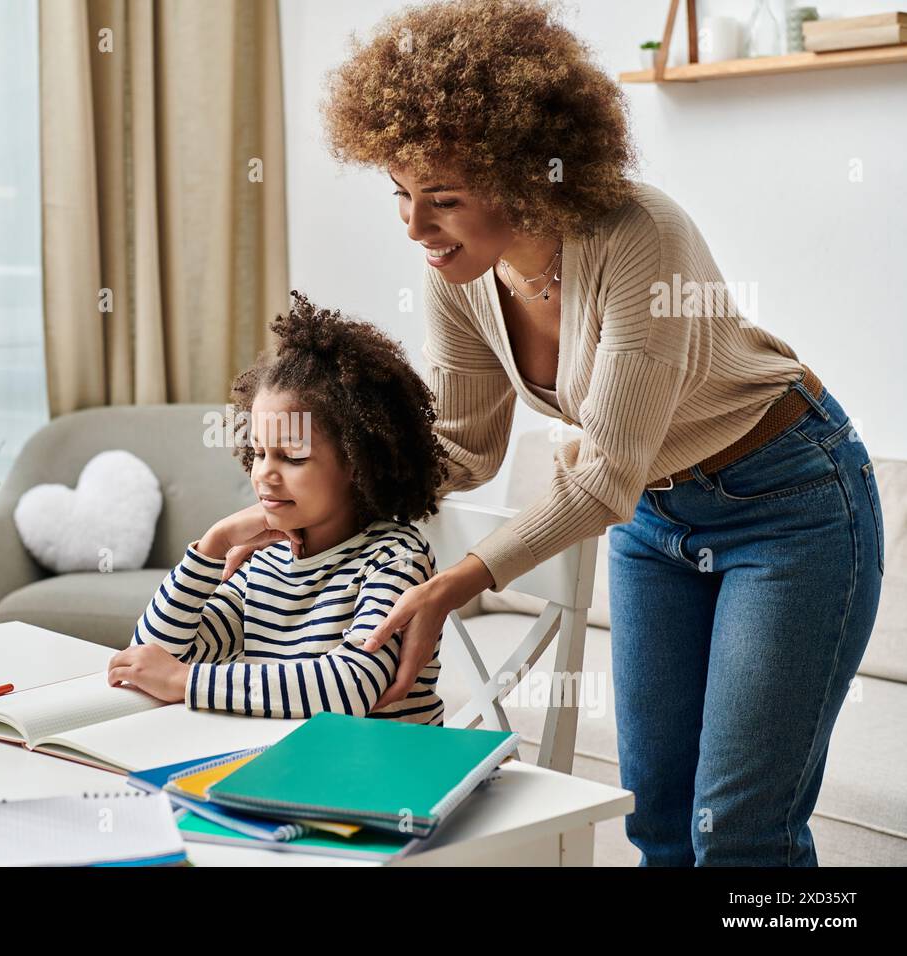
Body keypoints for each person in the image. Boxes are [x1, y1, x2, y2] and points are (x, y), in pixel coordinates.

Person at [321, 0, 884, 865]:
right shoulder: (458, 273)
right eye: (400, 193)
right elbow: (462, 450)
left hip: (791, 502)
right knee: (656, 819)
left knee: (739, 833)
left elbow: (602, 477)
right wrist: (313, 498)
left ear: (522, 176)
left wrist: (454, 583)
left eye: (443, 199)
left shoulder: (638, 236)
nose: (413, 227)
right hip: (656, 524)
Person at [107, 292, 449, 725]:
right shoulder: (264, 562)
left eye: (292, 457)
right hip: (294, 769)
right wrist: (211, 547)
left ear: (356, 463)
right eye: (260, 452)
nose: (265, 473)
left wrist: (187, 682)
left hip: (388, 776)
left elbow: (354, 685)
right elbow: (156, 656)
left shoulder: (396, 558)